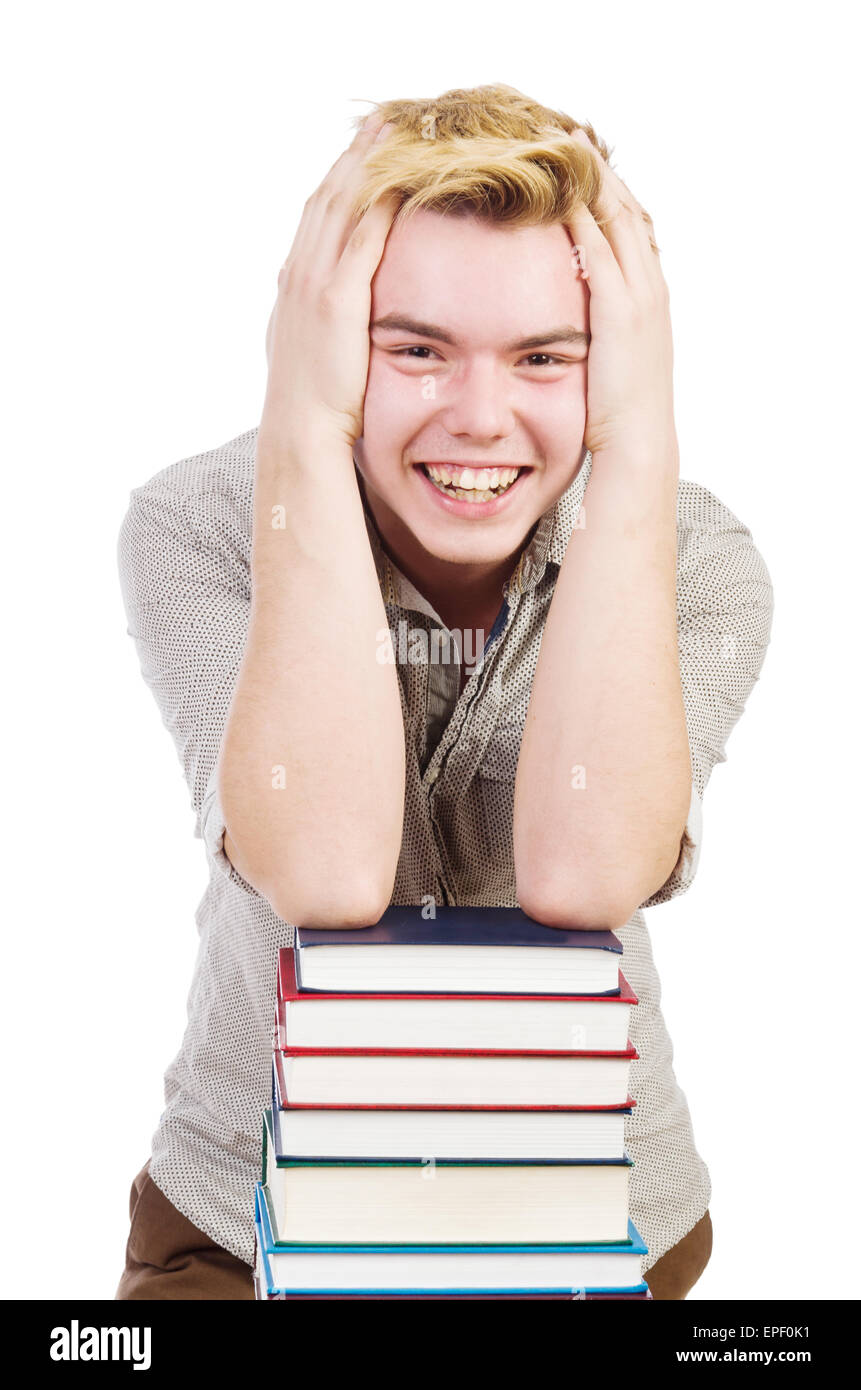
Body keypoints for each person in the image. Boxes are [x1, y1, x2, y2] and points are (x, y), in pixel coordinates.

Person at [115, 83, 773, 1300]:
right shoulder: (199, 527)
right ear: (327, 333)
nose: (481, 419)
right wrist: (302, 426)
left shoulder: (700, 562)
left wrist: (639, 449)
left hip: (601, 1215)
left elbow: (580, 878)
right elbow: (324, 870)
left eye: (545, 358)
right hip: (241, 1226)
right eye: (414, 346)